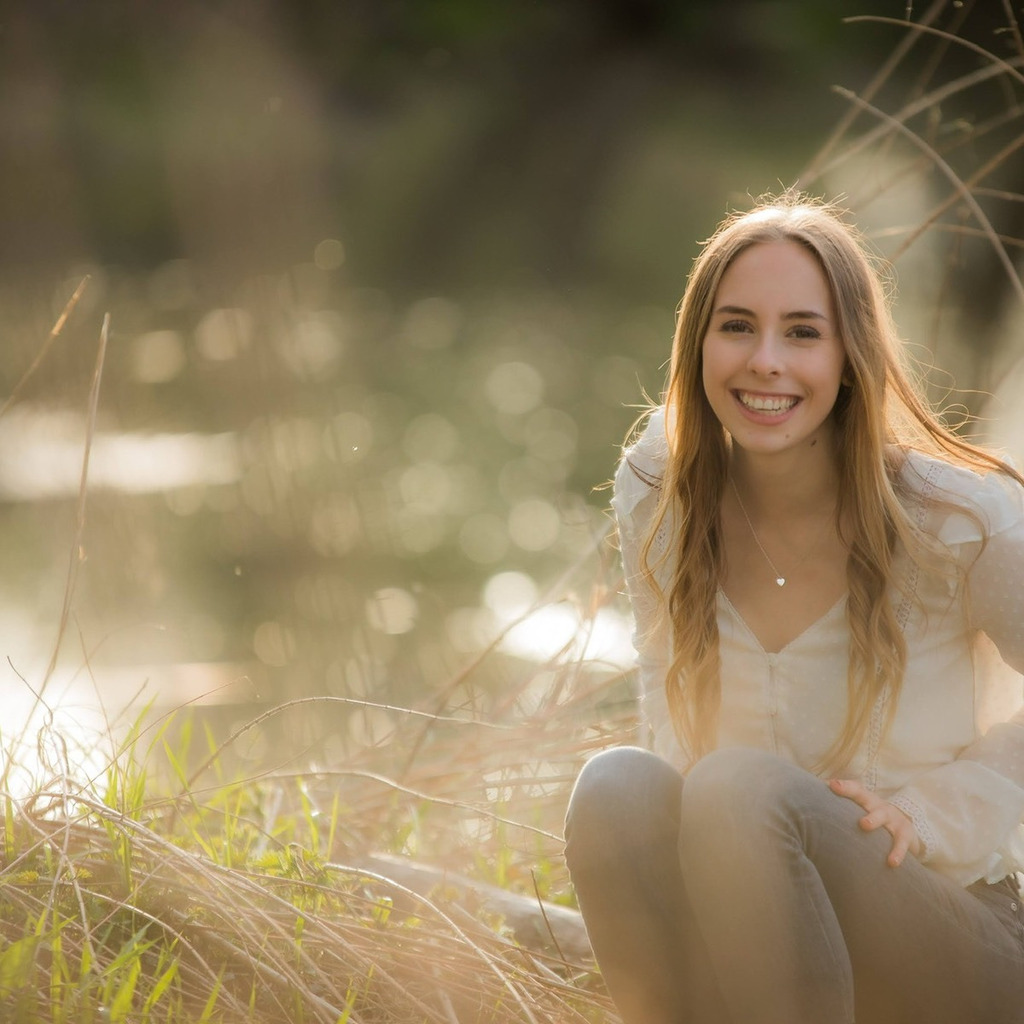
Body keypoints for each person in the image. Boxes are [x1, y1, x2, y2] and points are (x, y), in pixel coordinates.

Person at [564, 193, 1024, 1024]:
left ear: (851, 355)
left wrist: (932, 812)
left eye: (803, 333)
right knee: (617, 788)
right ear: (698, 344)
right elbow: (663, 695)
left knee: (740, 786)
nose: (765, 361)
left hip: (955, 938)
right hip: (762, 939)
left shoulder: (955, 519)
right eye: (736, 326)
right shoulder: (659, 487)